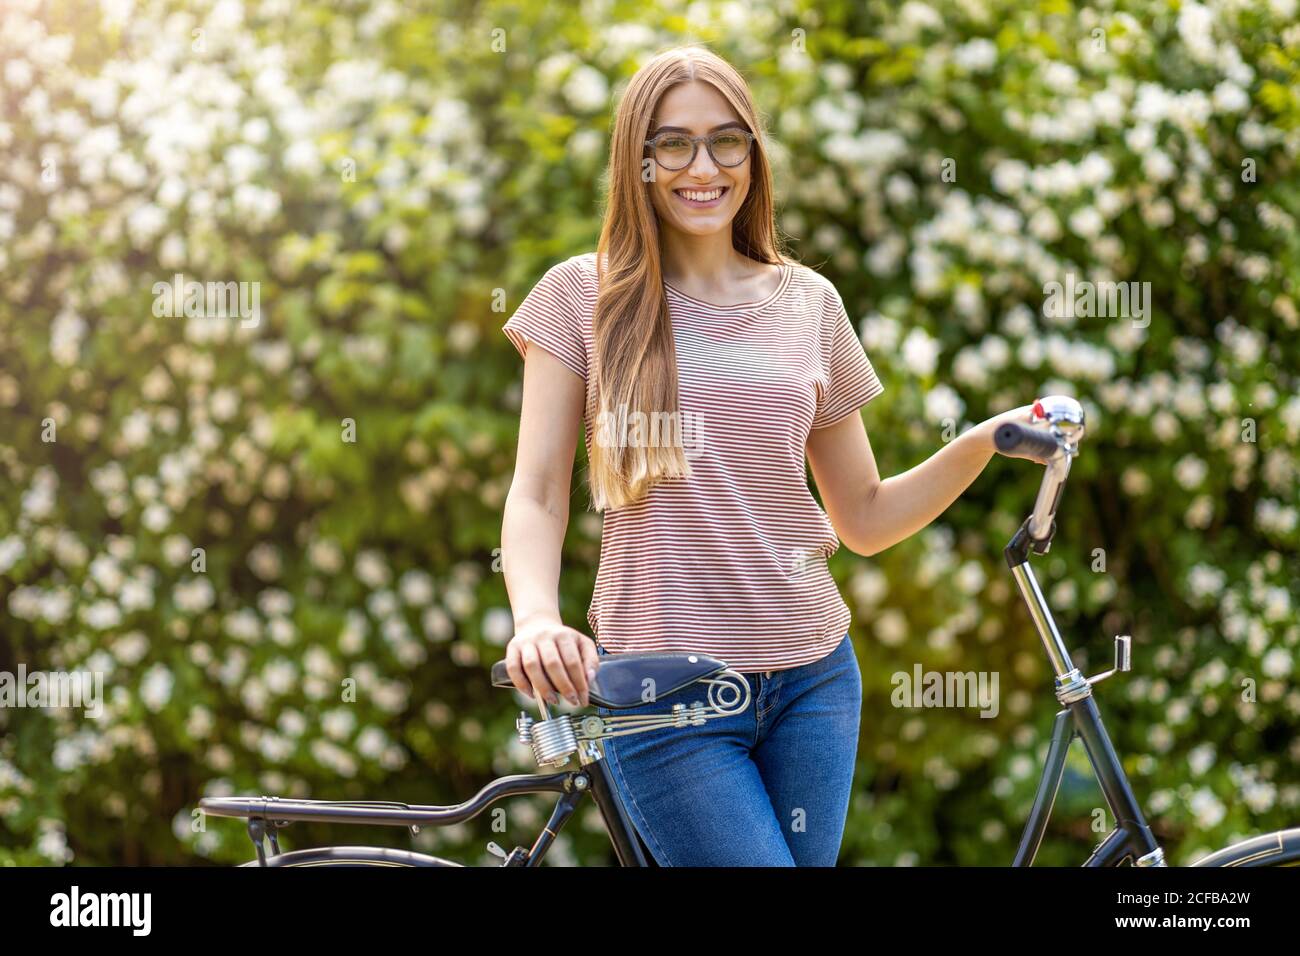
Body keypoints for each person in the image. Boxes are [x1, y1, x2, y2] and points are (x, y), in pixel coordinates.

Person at [498, 44, 1040, 866]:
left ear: (754, 153)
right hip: (665, 696)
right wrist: (535, 618)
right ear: (637, 162)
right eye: (673, 144)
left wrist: (979, 443)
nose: (702, 166)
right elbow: (537, 493)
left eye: (727, 140)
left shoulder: (809, 303)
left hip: (814, 684)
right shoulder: (581, 296)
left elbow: (862, 516)